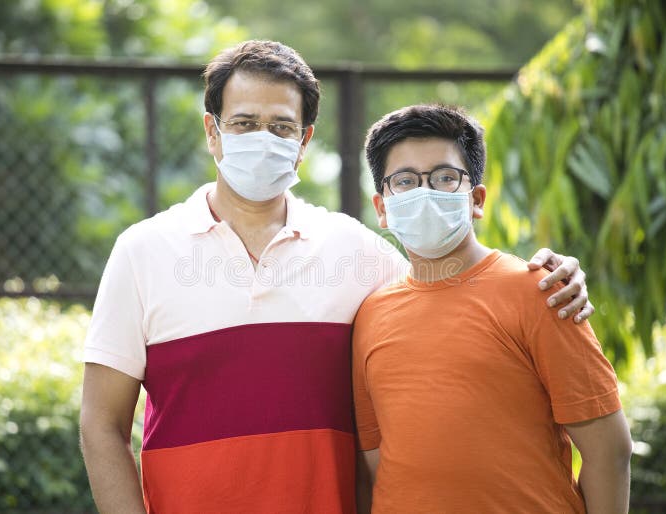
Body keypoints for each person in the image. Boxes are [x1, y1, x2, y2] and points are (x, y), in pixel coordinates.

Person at [80, 41, 595, 514]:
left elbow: (450, 286)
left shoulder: (359, 252)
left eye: (281, 127)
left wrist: (551, 273)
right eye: (243, 123)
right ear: (213, 132)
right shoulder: (141, 252)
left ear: (303, 141)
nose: (263, 139)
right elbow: (102, 425)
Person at [353, 104, 632, 514]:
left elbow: (609, 451)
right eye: (406, 181)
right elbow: (376, 461)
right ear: (381, 208)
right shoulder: (370, 315)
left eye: (446, 178)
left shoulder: (543, 290)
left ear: (476, 199)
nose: (425, 192)